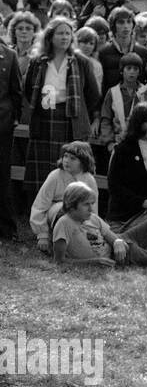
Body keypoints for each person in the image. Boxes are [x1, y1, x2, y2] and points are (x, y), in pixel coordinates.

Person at [52, 181, 147, 269]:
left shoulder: (92, 218)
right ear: (72, 204)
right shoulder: (64, 224)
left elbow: (111, 236)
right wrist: (93, 263)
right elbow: (60, 262)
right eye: (86, 205)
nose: (91, 208)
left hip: (124, 240)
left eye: (91, 204)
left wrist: (117, 241)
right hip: (123, 258)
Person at [21, 16, 101, 186]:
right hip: (44, 119)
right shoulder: (38, 61)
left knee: (71, 171)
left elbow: (93, 94)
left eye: (68, 33)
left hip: (70, 120)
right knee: (43, 174)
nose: (65, 37)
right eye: (60, 33)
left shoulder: (81, 62)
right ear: (50, 37)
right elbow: (28, 90)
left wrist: (78, 109)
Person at [29, 140, 97, 253]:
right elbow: (40, 205)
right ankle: (58, 242)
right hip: (56, 213)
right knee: (65, 209)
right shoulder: (55, 175)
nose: (67, 161)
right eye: (65, 156)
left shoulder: (89, 179)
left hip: (80, 218)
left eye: (72, 158)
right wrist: (42, 234)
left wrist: (92, 230)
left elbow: (93, 209)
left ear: (83, 161)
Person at [0, 35, 22, 241]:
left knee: (2, 176)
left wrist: (12, 119)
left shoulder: (9, 55)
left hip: (2, 126)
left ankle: (6, 228)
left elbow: (16, 92)